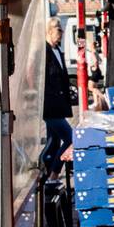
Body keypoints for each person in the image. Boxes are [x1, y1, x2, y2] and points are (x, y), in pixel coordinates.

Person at [42, 17, 75, 179]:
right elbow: (32, 74)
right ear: (49, 30)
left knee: (53, 143)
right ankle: (54, 173)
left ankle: (44, 173)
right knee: (71, 138)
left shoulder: (58, 50)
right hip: (49, 105)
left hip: (59, 105)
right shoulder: (43, 51)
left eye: (61, 29)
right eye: (58, 29)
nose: (61, 33)